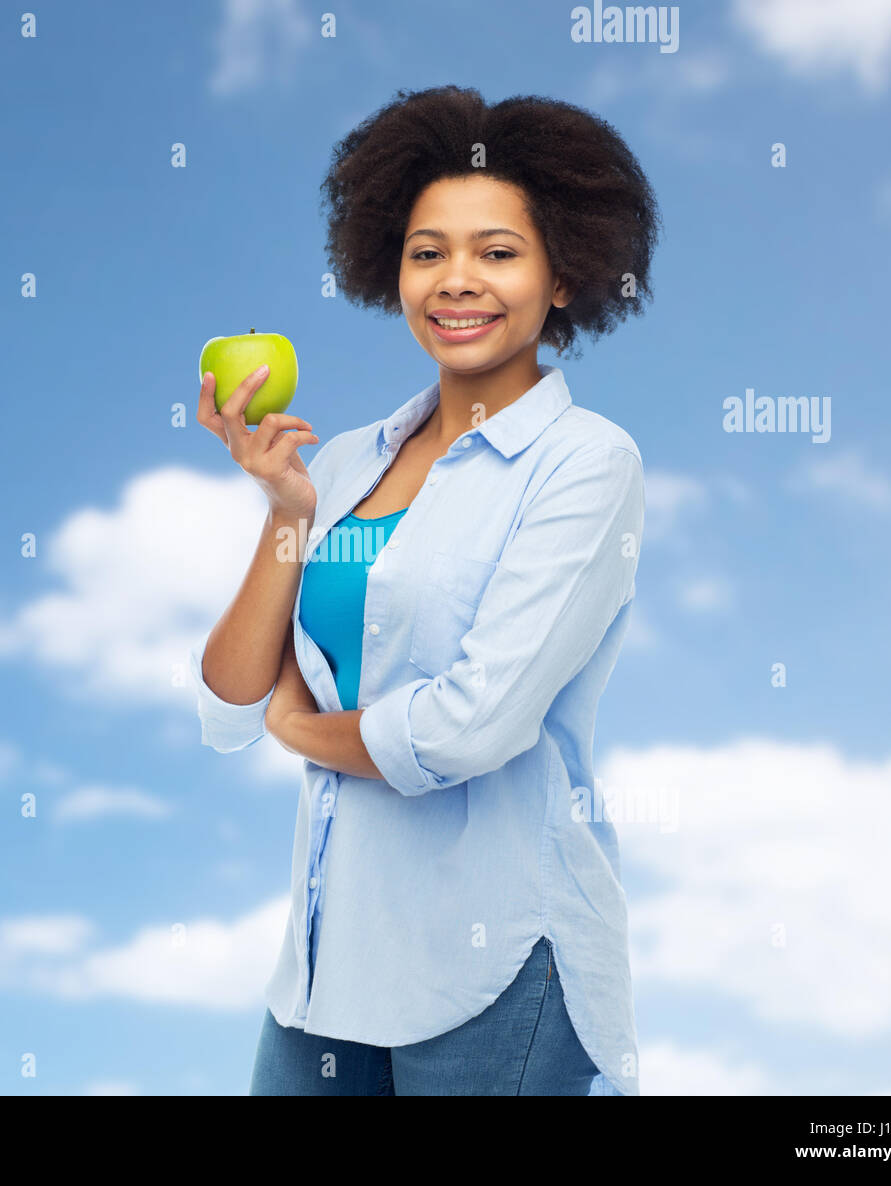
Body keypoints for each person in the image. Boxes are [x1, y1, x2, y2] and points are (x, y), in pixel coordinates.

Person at [190, 85, 660, 1096]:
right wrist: (284, 512)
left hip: (495, 963)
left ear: (564, 275)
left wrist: (301, 728)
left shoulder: (584, 464)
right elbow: (231, 702)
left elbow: (463, 730)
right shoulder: (349, 459)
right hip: (323, 971)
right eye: (426, 251)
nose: (457, 282)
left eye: (497, 252)